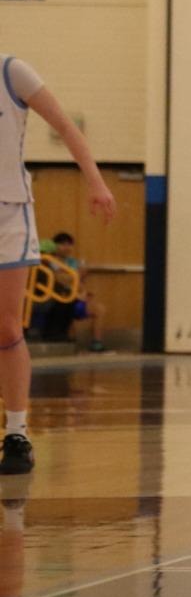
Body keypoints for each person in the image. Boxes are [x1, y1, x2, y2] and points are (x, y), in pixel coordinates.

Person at [0, 56, 116, 475]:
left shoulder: (12, 71)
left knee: (8, 328)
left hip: (7, 212)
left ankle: (16, 432)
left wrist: (97, 183)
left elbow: (66, 127)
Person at [33, 232, 103, 351]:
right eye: (62, 244)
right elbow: (60, 281)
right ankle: (65, 338)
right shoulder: (48, 266)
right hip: (58, 297)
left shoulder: (71, 263)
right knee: (67, 302)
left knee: (98, 309)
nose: (66, 247)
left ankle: (96, 342)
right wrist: (76, 279)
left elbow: (76, 283)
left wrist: (82, 292)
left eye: (69, 244)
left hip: (68, 295)